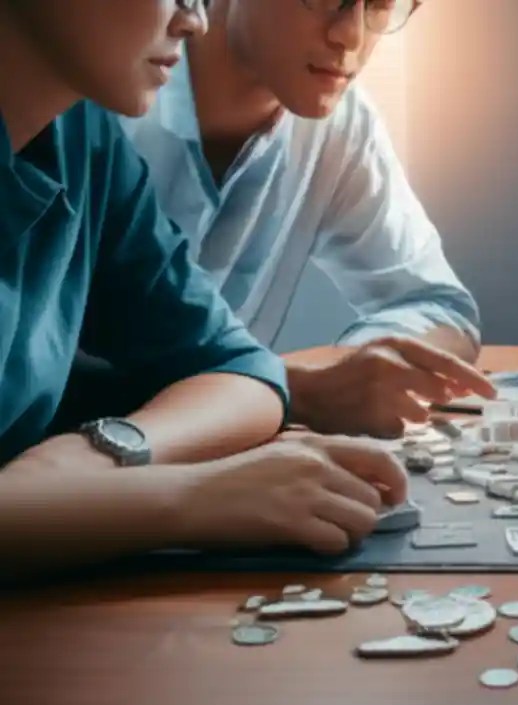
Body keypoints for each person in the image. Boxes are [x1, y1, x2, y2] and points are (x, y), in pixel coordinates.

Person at [0, 0, 406, 577]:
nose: (194, 19)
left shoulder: (81, 136)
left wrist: (103, 452)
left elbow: (242, 370)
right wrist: (194, 499)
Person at [115, 0, 495, 439]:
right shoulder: (100, 99)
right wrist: (291, 386)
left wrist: (356, 371)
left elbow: (441, 307)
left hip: (218, 451)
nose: (351, 36)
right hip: (65, 474)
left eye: (381, 5)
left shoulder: (341, 127)